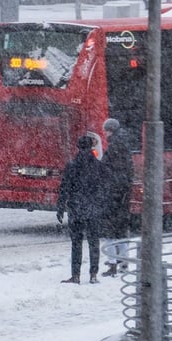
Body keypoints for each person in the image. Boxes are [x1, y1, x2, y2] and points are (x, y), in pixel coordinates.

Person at [56, 135, 111, 284]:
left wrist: (60, 207)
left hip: (76, 208)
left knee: (76, 243)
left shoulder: (72, 166)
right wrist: (102, 205)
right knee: (94, 242)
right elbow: (105, 188)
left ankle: (76, 275)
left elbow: (64, 188)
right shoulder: (99, 166)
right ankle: (93, 274)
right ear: (91, 147)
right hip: (93, 209)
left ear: (78, 147)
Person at [100, 118, 135, 278]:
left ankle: (113, 264)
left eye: (105, 131)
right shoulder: (125, 144)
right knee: (121, 229)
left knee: (109, 230)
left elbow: (105, 167)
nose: (105, 134)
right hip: (124, 192)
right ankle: (124, 261)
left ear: (110, 130)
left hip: (113, 192)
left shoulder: (114, 146)